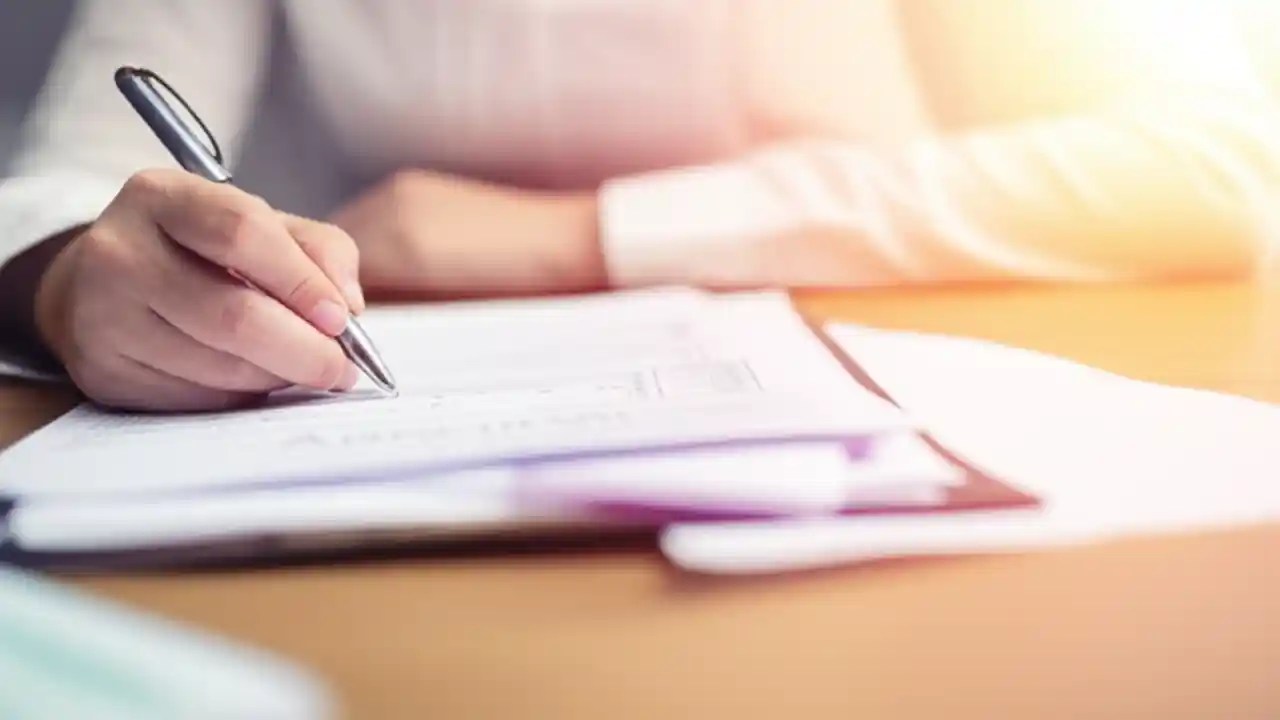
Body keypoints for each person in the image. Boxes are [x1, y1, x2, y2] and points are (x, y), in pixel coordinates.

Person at [0, 0, 1277, 411]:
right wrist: (71, 276)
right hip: (423, 424)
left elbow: (1212, 166)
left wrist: (581, 235)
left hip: (899, 387)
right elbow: (65, 180)